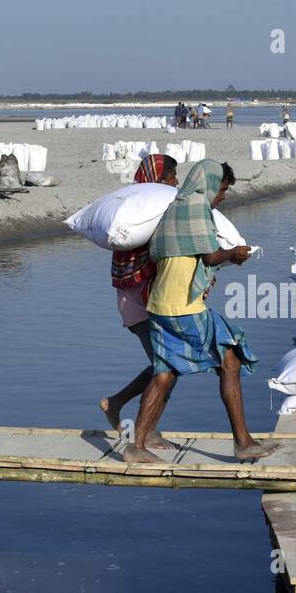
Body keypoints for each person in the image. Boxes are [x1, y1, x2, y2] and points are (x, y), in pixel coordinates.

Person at [123, 161, 279, 464]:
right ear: (208, 184)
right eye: (221, 190)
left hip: (159, 304)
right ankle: (243, 443)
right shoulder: (195, 208)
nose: (221, 197)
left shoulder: (175, 207)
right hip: (183, 307)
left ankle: (136, 445)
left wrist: (223, 258)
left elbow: (189, 255)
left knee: (164, 373)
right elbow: (208, 255)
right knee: (230, 360)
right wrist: (232, 255)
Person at [99, 154, 179, 450]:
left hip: (142, 298)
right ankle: (145, 430)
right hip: (138, 300)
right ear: (159, 179)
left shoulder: (149, 211)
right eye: (172, 175)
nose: (176, 182)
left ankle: (119, 405)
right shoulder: (140, 213)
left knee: (167, 365)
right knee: (166, 367)